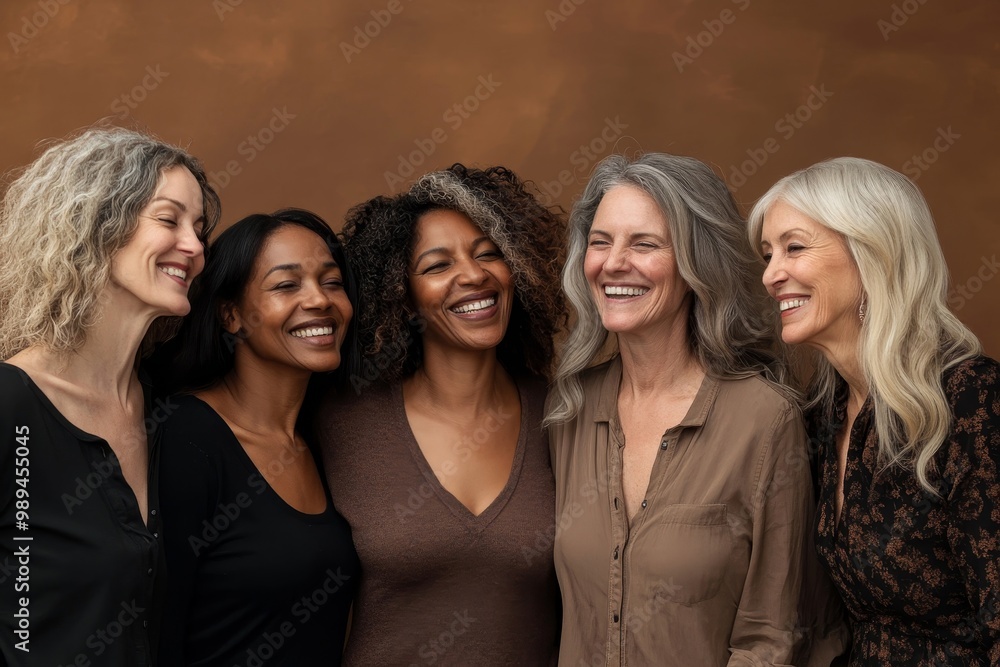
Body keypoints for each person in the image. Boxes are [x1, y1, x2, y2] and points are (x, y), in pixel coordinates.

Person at [545, 153, 847, 666]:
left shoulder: (763, 418)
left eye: (645, 243)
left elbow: (772, 637)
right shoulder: (568, 408)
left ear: (694, 265)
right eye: (600, 242)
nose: (614, 262)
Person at [750, 157, 1000, 665]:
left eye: (794, 248)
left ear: (874, 253)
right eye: (768, 254)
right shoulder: (824, 416)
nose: (771, 275)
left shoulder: (975, 401)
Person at [319, 164, 565, 665]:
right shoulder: (338, 421)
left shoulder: (565, 415)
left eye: (488, 254)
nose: (474, 275)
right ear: (400, 297)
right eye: (437, 266)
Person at [0, 126, 220, 665]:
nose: (193, 247)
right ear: (93, 227)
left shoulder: (167, 413)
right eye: (168, 220)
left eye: (199, 229)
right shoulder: (10, 405)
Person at [155, 209, 360, 666]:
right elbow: (156, 631)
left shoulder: (326, 441)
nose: (320, 301)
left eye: (332, 282)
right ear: (231, 316)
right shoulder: (185, 437)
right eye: (286, 285)